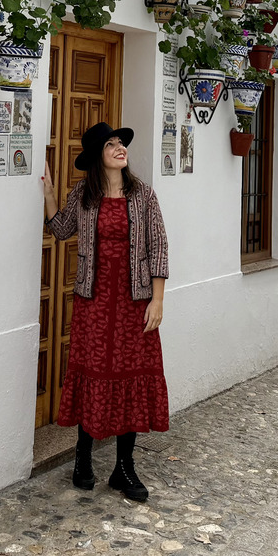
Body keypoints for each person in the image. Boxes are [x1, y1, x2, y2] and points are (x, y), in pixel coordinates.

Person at [41, 121, 170, 502]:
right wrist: (49, 195)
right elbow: (62, 230)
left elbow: (159, 246)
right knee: (93, 372)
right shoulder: (83, 193)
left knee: (131, 376)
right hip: (93, 301)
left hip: (135, 301)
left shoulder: (143, 195)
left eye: (120, 143)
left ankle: (123, 467)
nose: (119, 148)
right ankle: (83, 458)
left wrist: (157, 300)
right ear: (98, 156)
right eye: (111, 144)